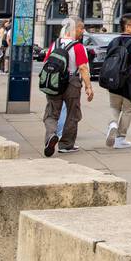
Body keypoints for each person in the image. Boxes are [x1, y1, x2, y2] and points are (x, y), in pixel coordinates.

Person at [43, 16, 93, 156]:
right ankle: (66, 144)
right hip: (72, 83)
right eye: (81, 28)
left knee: (51, 113)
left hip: (55, 82)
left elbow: (46, 63)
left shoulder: (55, 44)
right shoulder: (78, 46)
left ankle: (51, 135)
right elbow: (83, 68)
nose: (83, 31)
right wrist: (88, 86)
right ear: (74, 28)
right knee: (72, 114)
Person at [101, 14, 131, 149]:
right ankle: (120, 138)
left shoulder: (113, 42)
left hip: (113, 80)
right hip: (129, 82)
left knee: (114, 106)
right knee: (128, 109)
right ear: (127, 26)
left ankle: (112, 124)